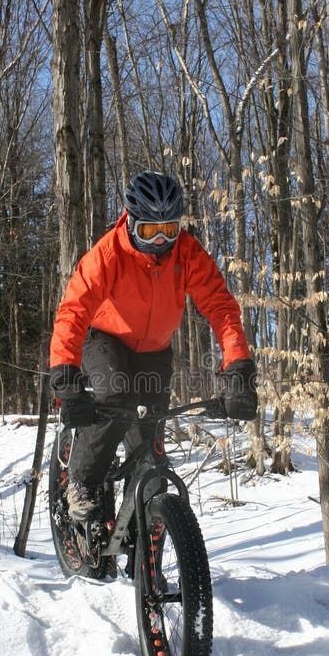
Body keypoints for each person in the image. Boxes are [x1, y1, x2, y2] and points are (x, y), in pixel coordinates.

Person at [49, 170, 257, 538]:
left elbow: (221, 308)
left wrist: (238, 369)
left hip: (154, 351)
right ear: (130, 222)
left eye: (169, 230)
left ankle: (140, 534)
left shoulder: (187, 253)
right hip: (105, 338)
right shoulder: (108, 254)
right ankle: (80, 481)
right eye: (149, 231)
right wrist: (65, 376)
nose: (160, 241)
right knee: (116, 398)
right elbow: (73, 312)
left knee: (149, 443)